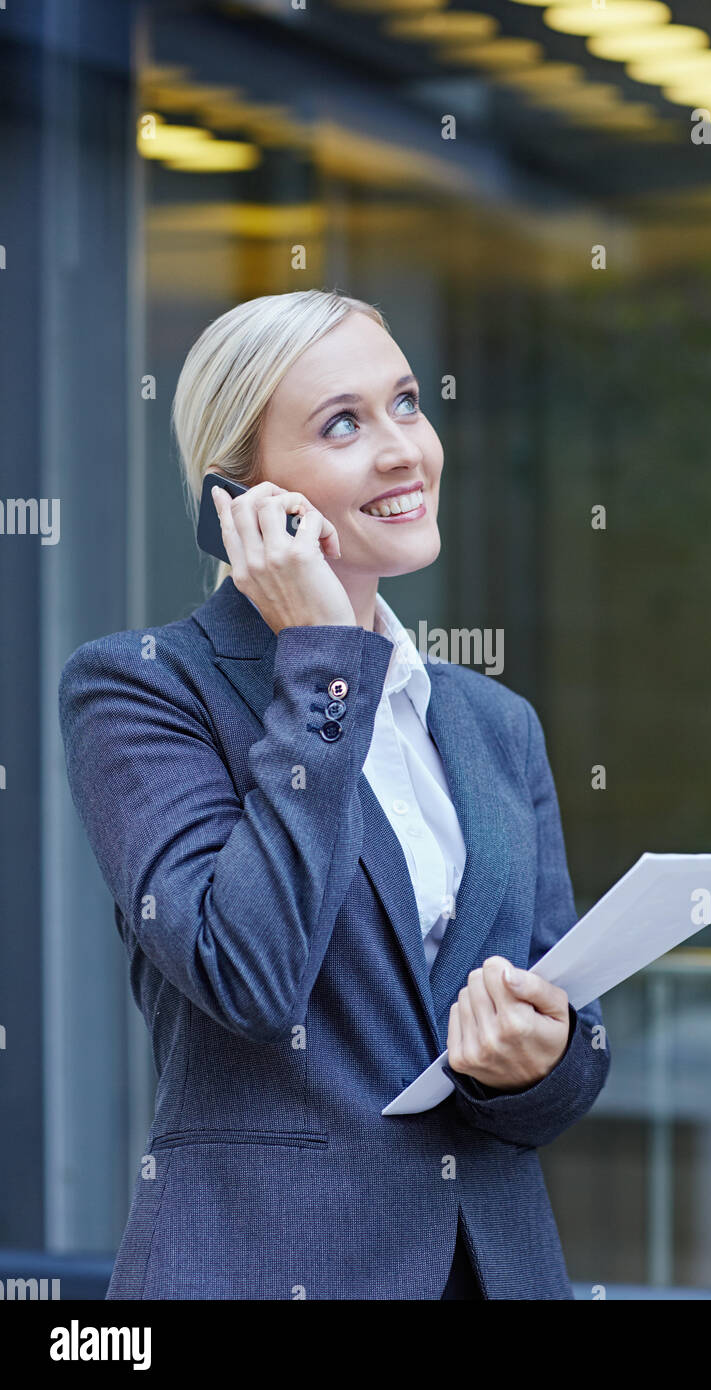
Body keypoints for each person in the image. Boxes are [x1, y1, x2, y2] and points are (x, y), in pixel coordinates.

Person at [58, 288, 611, 1299]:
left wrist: (538, 1057)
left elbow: (571, 1050)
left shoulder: (494, 724)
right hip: (266, 1268)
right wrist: (324, 665)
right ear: (242, 499)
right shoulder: (139, 688)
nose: (403, 448)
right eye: (343, 423)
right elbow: (249, 976)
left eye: (405, 402)